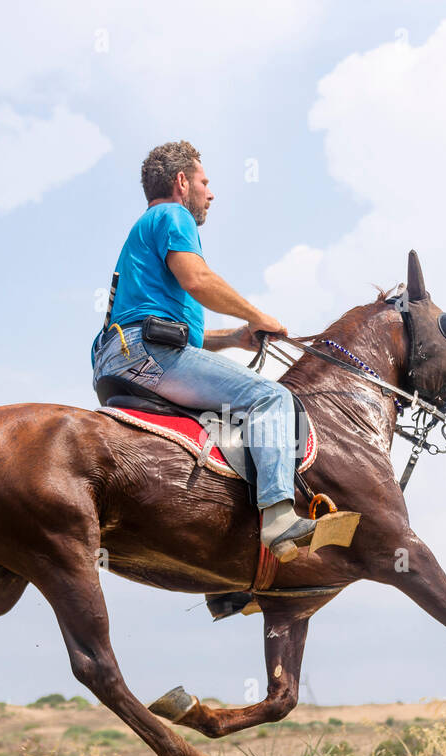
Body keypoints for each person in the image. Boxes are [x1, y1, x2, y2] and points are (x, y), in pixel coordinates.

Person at [90, 140, 316, 560]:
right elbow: (197, 279)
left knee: (221, 426)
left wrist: (232, 337)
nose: (210, 193)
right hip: (147, 355)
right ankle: (280, 517)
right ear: (181, 182)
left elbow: (170, 327)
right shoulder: (173, 215)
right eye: (204, 182)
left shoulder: (145, 229)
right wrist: (259, 315)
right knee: (270, 397)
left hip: (122, 356)